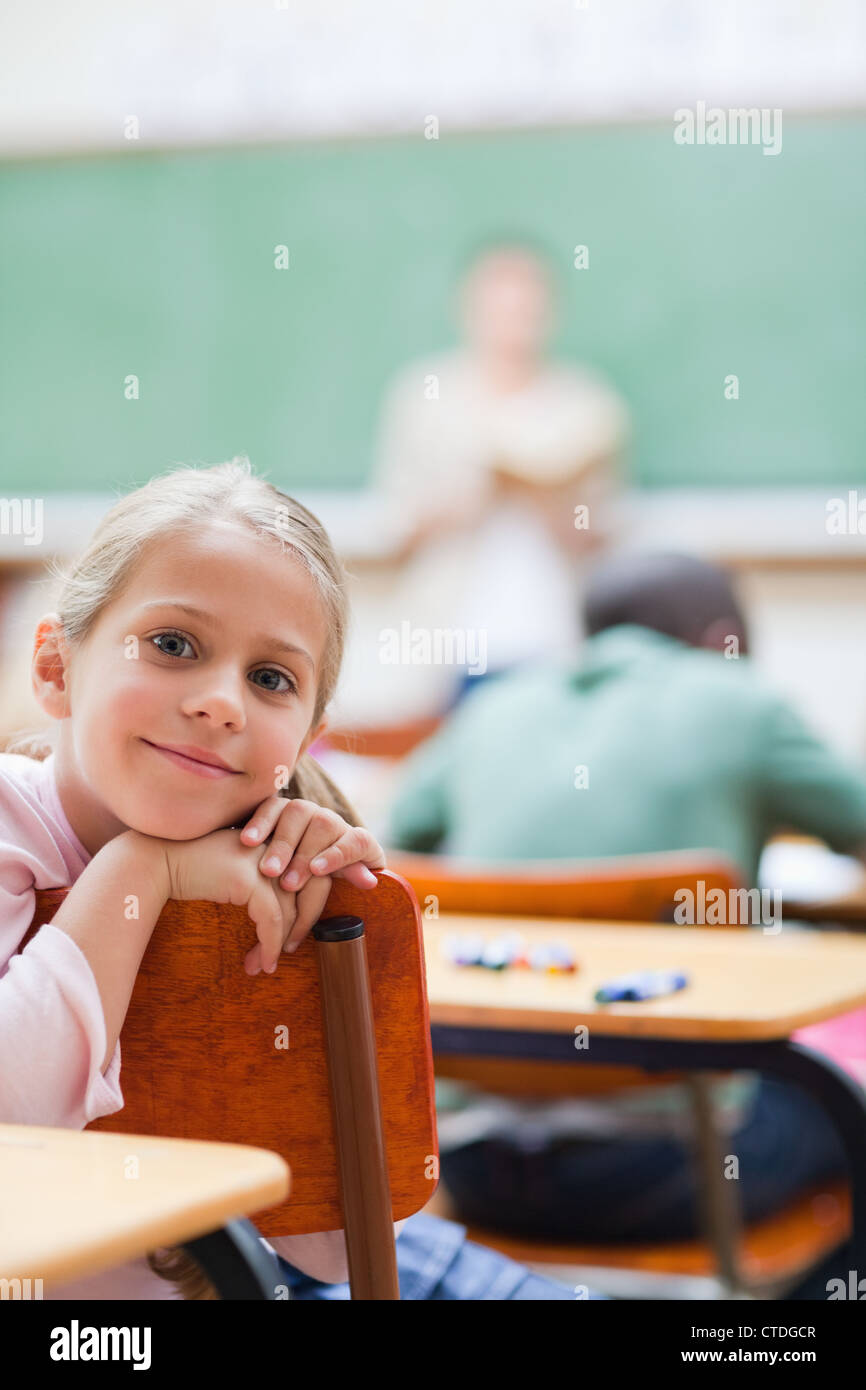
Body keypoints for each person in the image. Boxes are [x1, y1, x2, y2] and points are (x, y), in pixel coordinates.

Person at [0, 457, 582, 1301]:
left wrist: (328, 924)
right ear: (56, 668)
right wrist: (141, 870)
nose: (221, 702)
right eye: (172, 645)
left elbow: (331, 1247)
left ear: (306, 736)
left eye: (270, 678)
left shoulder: (280, 873)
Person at [385, 551, 866, 1276]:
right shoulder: (738, 699)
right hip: (679, 1168)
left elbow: (393, 854)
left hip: (468, 1167)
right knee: (844, 1110)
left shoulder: (495, 706)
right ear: (720, 640)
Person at [340, 240, 630, 723]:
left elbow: (602, 538)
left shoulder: (587, 403)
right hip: (447, 645)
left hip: (553, 638)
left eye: (527, 306)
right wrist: (472, 497)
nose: (513, 319)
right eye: (499, 305)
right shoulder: (423, 395)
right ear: (469, 307)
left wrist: (543, 495)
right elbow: (394, 530)